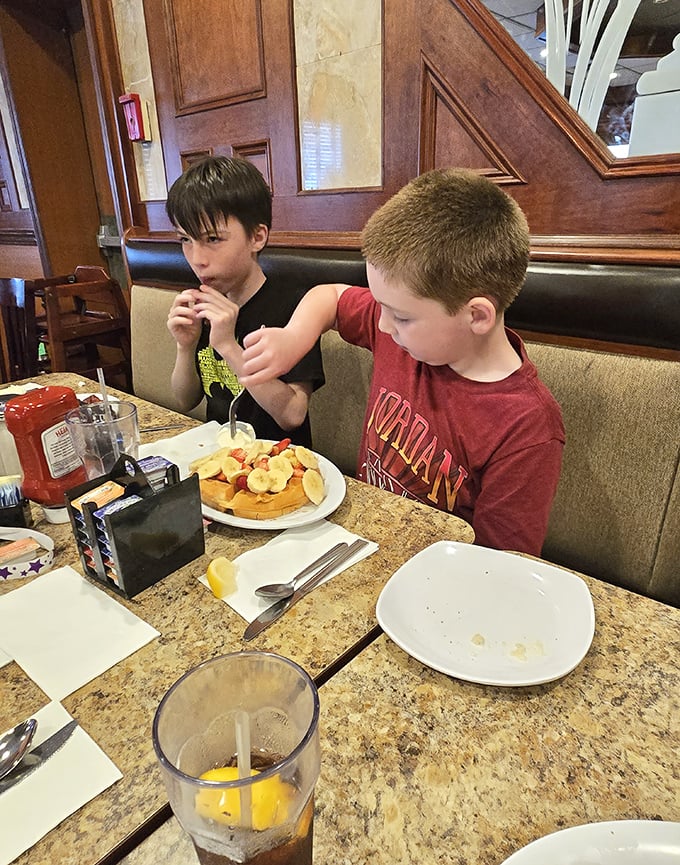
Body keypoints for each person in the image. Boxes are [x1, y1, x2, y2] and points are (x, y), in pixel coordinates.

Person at [239, 168, 565, 555]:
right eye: (381, 306)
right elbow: (330, 296)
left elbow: (500, 565)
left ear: (476, 316)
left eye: (402, 316)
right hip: (357, 544)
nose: (381, 324)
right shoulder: (401, 332)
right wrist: (294, 337)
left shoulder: (526, 426)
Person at [165, 156, 324, 446]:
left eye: (212, 239)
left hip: (279, 467)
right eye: (185, 240)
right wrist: (185, 346)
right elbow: (185, 399)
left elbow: (292, 414)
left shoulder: (296, 308)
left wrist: (228, 346)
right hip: (219, 460)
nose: (197, 259)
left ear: (257, 237)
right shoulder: (202, 302)